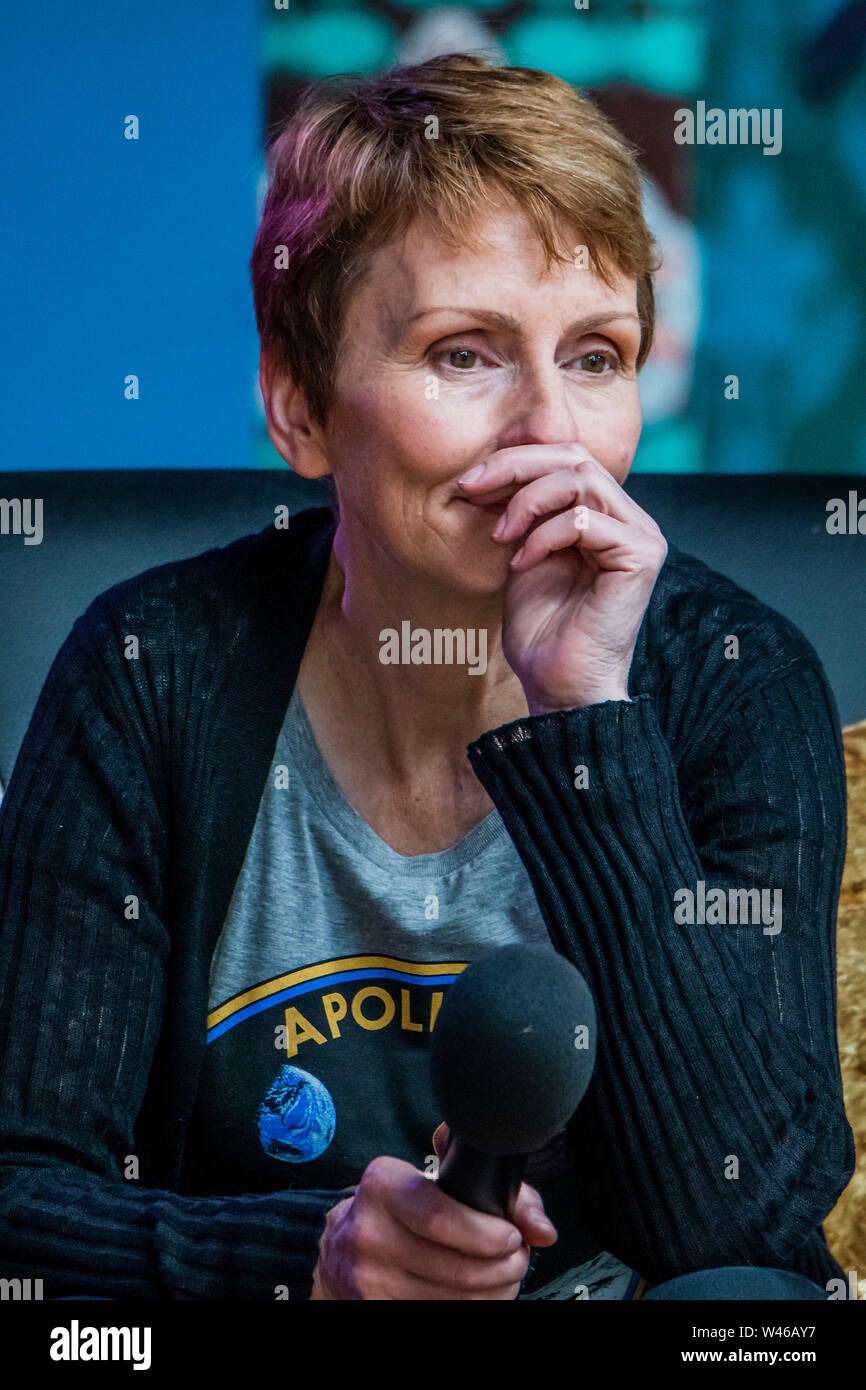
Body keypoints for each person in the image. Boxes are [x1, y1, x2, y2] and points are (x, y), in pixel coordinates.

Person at [0, 53, 854, 1302]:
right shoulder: (150, 672)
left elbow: (749, 1234)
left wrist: (589, 722)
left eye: (595, 356)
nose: (552, 435)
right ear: (297, 406)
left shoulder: (731, 681)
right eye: (464, 354)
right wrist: (308, 1260)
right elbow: (21, 1193)